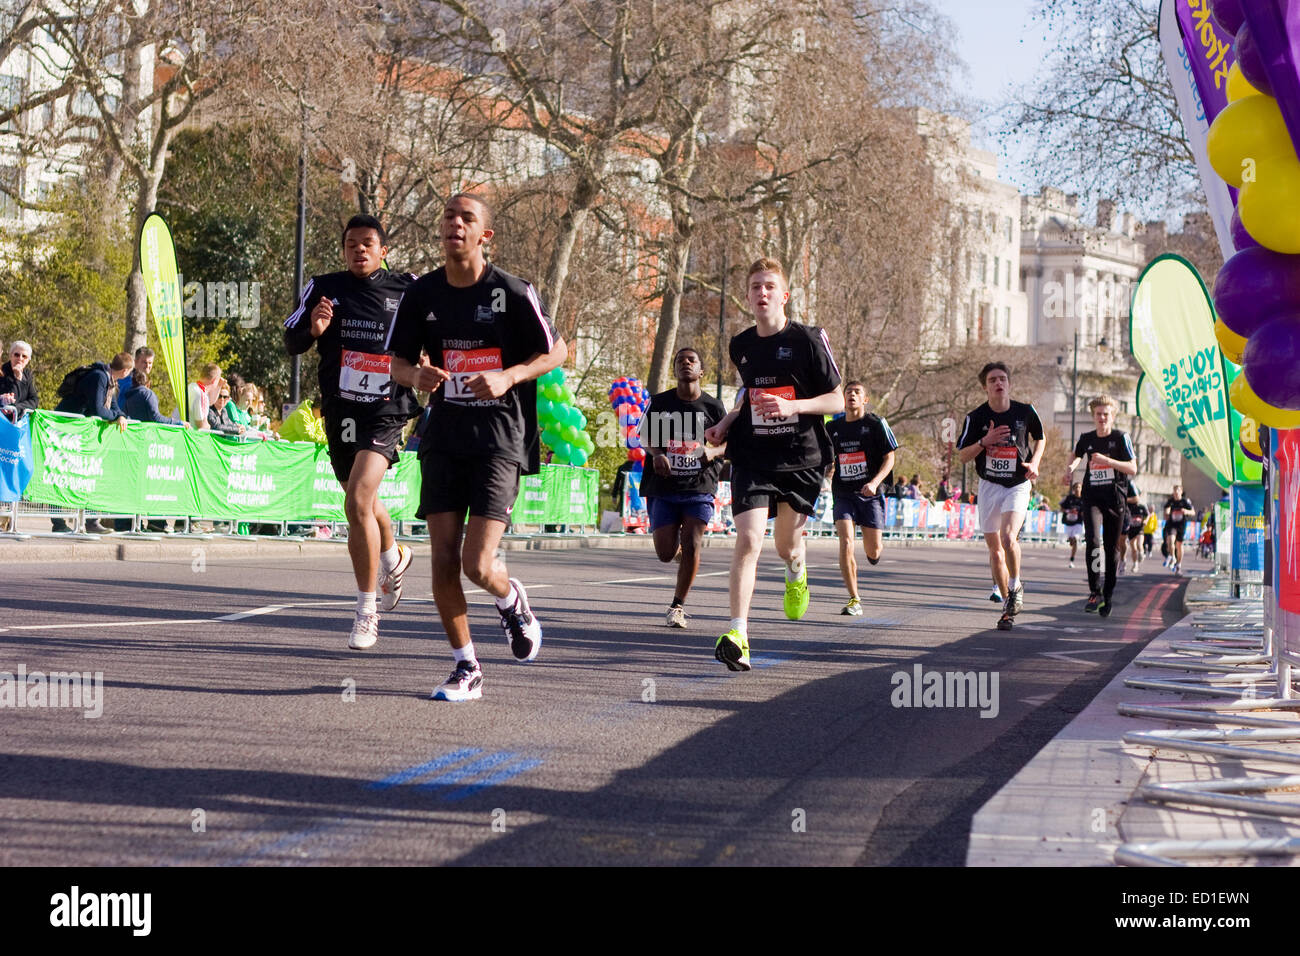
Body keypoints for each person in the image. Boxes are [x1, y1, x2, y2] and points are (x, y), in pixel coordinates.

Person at [388, 193, 566, 701]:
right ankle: (466, 666)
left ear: (485, 235)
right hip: (443, 435)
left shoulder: (511, 290)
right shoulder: (422, 294)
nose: (455, 224)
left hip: (498, 439)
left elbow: (558, 350)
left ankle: (511, 601)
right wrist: (416, 374)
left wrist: (509, 375)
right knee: (442, 560)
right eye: (448, 216)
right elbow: (396, 363)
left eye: (467, 218)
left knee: (477, 564)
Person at [285, 213, 419, 650]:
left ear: (383, 250)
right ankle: (394, 554)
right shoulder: (325, 287)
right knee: (359, 499)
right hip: (341, 410)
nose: (359, 250)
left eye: (367, 243)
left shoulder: (407, 289)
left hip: (387, 408)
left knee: (358, 497)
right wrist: (314, 329)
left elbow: (434, 334)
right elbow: (291, 340)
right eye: (351, 244)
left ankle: (366, 612)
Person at [703, 257, 843, 671]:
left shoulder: (809, 340)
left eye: (769, 286)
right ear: (747, 297)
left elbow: (835, 400)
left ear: (784, 296)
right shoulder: (741, 346)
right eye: (755, 287)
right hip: (752, 455)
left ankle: (796, 567)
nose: (762, 293)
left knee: (785, 545)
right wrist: (726, 422)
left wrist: (792, 406)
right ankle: (738, 633)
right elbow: (748, 394)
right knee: (748, 540)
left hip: (800, 458)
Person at [638, 347, 727, 627]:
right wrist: (657, 454)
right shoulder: (660, 402)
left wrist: (713, 453)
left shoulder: (714, 407)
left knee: (692, 543)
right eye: (680, 361)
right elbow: (643, 436)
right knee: (665, 554)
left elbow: (732, 444)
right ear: (674, 370)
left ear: (701, 371)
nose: (685, 364)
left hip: (699, 485)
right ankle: (679, 554)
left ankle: (677, 606)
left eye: (692, 361)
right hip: (664, 485)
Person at [957, 362, 1044, 631]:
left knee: (1008, 537)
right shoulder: (976, 417)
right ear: (985, 386)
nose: (999, 383)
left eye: (1003, 378)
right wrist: (986, 440)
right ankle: (1008, 606)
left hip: (1018, 484)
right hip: (989, 485)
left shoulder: (1025, 411)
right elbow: (962, 456)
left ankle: (1016, 583)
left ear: (1009, 383)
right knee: (995, 550)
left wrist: (1035, 462)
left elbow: (1040, 438)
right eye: (993, 379)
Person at [826, 381, 897, 616]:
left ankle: (873, 554)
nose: (852, 396)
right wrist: (827, 472)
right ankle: (854, 598)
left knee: (874, 549)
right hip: (843, 493)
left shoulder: (876, 424)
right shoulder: (833, 427)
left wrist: (875, 483)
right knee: (846, 542)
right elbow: (824, 457)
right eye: (848, 392)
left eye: (857, 393)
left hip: (870, 494)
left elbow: (890, 458)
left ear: (865, 399)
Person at [1066, 395, 1137, 616]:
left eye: (1106, 414)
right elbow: (1076, 455)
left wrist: (1108, 461)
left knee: (1111, 548)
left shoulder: (1121, 437)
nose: (1102, 418)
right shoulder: (1087, 438)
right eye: (1098, 414)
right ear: (1093, 415)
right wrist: (1070, 469)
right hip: (1092, 497)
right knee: (1094, 541)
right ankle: (1094, 591)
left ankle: (1108, 594)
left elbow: (1132, 468)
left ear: (1113, 416)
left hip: (1115, 499)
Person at [0, 340, 37, 422]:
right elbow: (11, 400)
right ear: (10, 356)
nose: (20, 358)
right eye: (17, 355)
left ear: (28, 360)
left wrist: (18, 407)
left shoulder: (27, 374)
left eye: (24, 356)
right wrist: (17, 380)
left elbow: (34, 401)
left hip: (20, 423)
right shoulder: (2, 372)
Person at [1162, 483, 1194, 575]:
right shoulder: (1171, 501)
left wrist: (1186, 511)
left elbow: (1193, 512)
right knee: (1170, 540)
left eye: (1178, 491)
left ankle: (1179, 564)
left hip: (1181, 525)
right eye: (1174, 491)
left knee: (1179, 545)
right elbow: (1166, 509)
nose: (1176, 493)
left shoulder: (1185, 502)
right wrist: (1167, 513)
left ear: (1181, 492)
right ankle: (1173, 557)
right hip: (1172, 524)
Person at [1122, 482, 1148, 573]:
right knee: (1133, 548)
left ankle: (1142, 552)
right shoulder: (1129, 507)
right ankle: (1135, 564)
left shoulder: (1142, 506)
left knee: (1139, 544)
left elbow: (1147, 515)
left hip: (1140, 528)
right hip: (1132, 528)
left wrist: (1145, 520)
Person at [1060, 482, 1084, 568]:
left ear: (1081, 489)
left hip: (1078, 523)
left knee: (1075, 539)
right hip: (1069, 523)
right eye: (1076, 487)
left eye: (1079, 487)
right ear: (1073, 489)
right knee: (1071, 541)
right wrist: (1068, 511)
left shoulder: (1084, 499)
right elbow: (1061, 508)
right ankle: (1071, 540)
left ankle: (1072, 559)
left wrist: (1081, 513)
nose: (1078, 489)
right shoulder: (1069, 498)